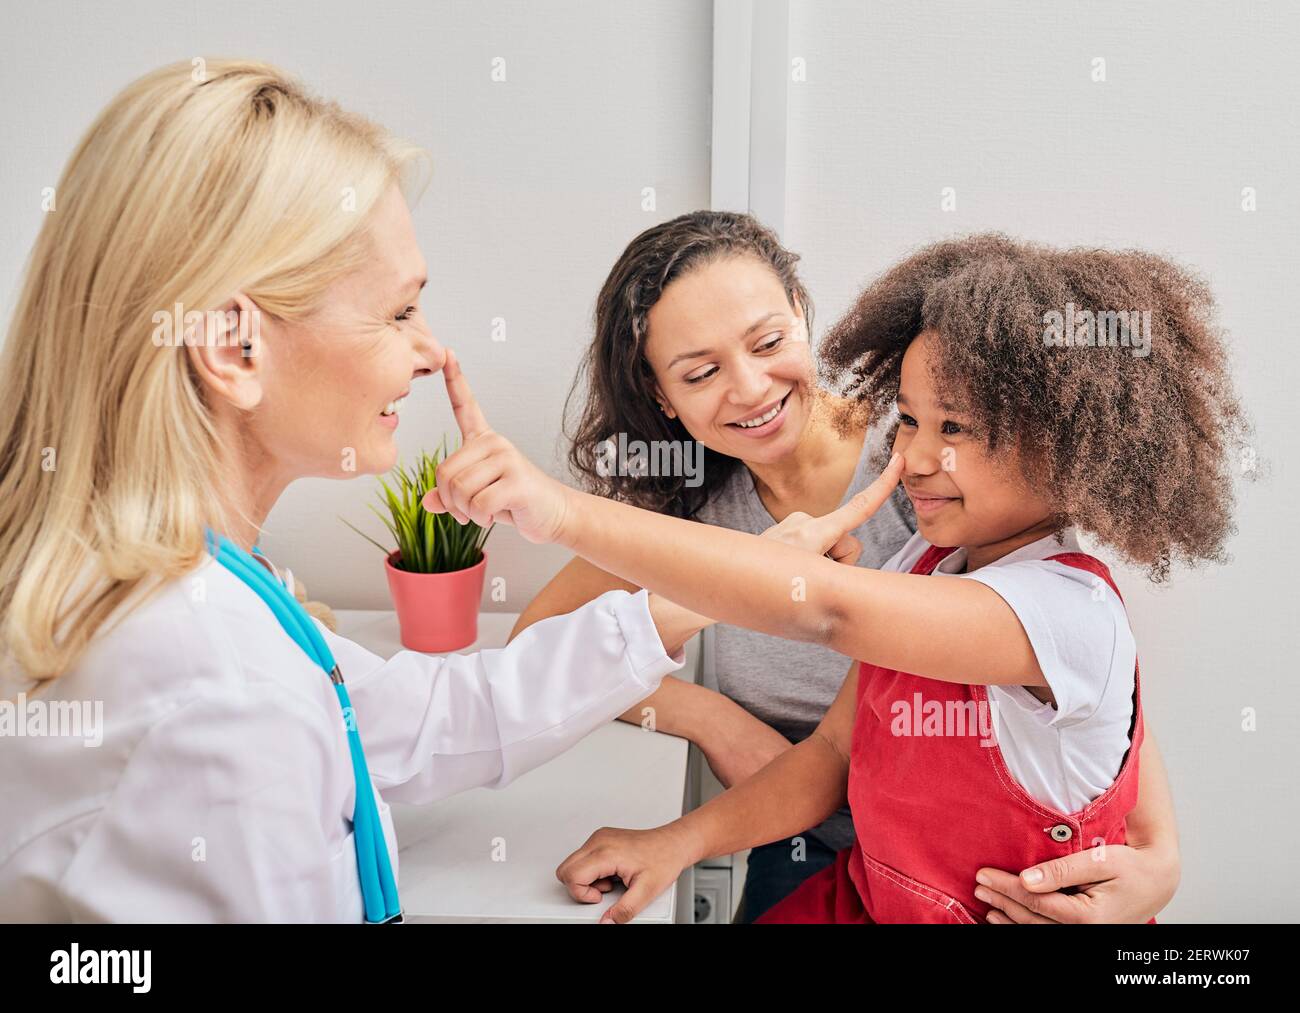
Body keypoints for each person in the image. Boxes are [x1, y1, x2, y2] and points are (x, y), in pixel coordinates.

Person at [0, 59, 710, 922]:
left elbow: (403, 726)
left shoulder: (175, 586)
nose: (429, 353)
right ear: (233, 346)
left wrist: (690, 600)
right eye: (401, 312)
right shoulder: (221, 693)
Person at [422, 234, 1245, 923]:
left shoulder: (987, 547)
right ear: (661, 396)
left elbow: (835, 614)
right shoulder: (926, 548)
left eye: (768, 340)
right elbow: (829, 753)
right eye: (699, 371)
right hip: (847, 870)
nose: (917, 453)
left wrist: (1159, 853)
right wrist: (681, 822)